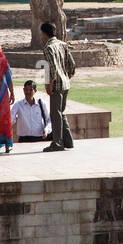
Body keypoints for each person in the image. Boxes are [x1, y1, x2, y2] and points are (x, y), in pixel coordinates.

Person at [41, 21, 76, 152]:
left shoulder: (48, 47)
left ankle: (57, 142)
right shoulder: (62, 44)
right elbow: (71, 65)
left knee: (55, 114)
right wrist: (67, 77)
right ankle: (68, 141)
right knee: (61, 113)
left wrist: (49, 84)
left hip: (57, 84)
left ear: (44, 33)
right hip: (65, 83)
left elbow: (51, 68)